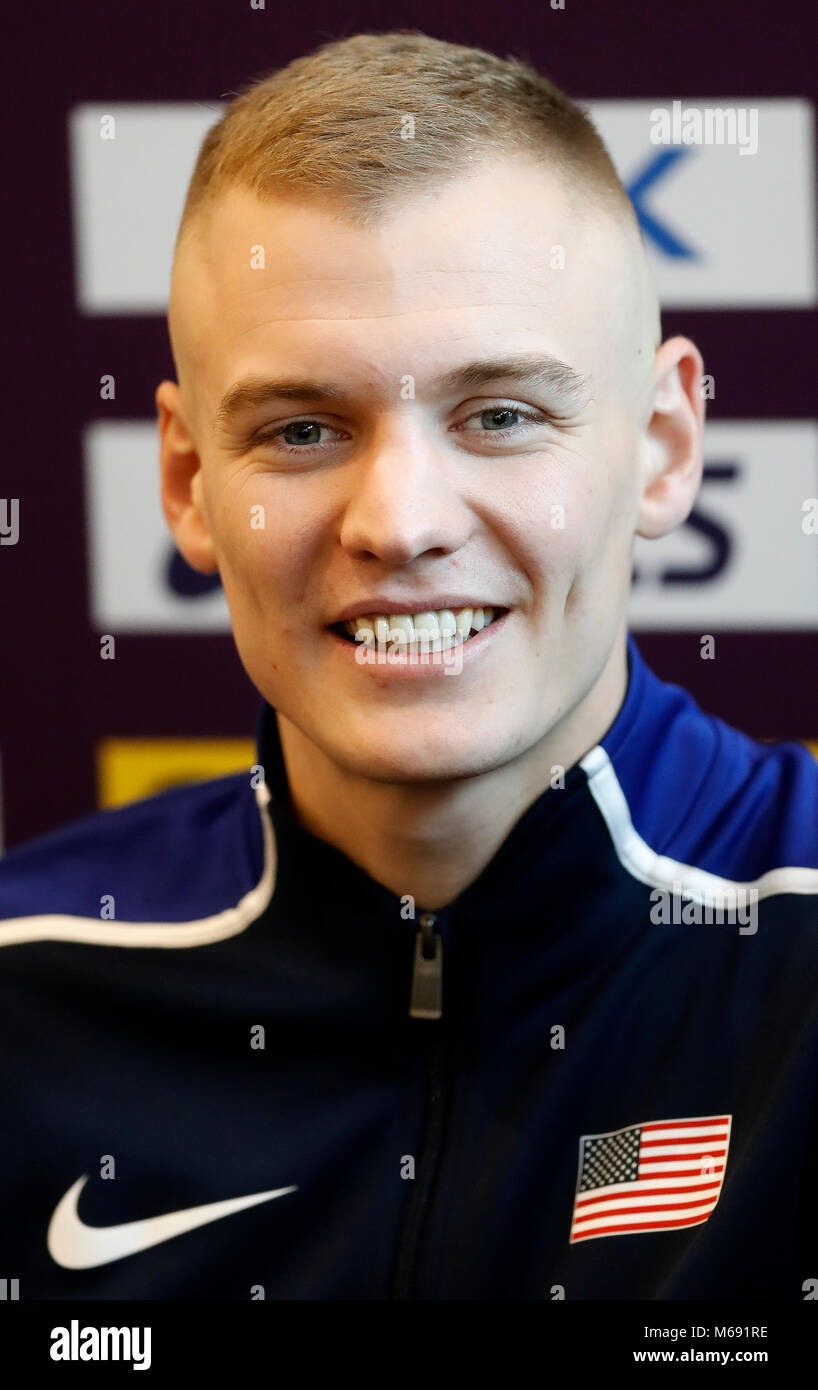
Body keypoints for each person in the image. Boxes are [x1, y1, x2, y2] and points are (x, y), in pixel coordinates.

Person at [1, 30, 816, 1302]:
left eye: (498, 415)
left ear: (661, 447)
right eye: (303, 428)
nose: (400, 520)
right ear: (185, 481)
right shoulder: (26, 982)